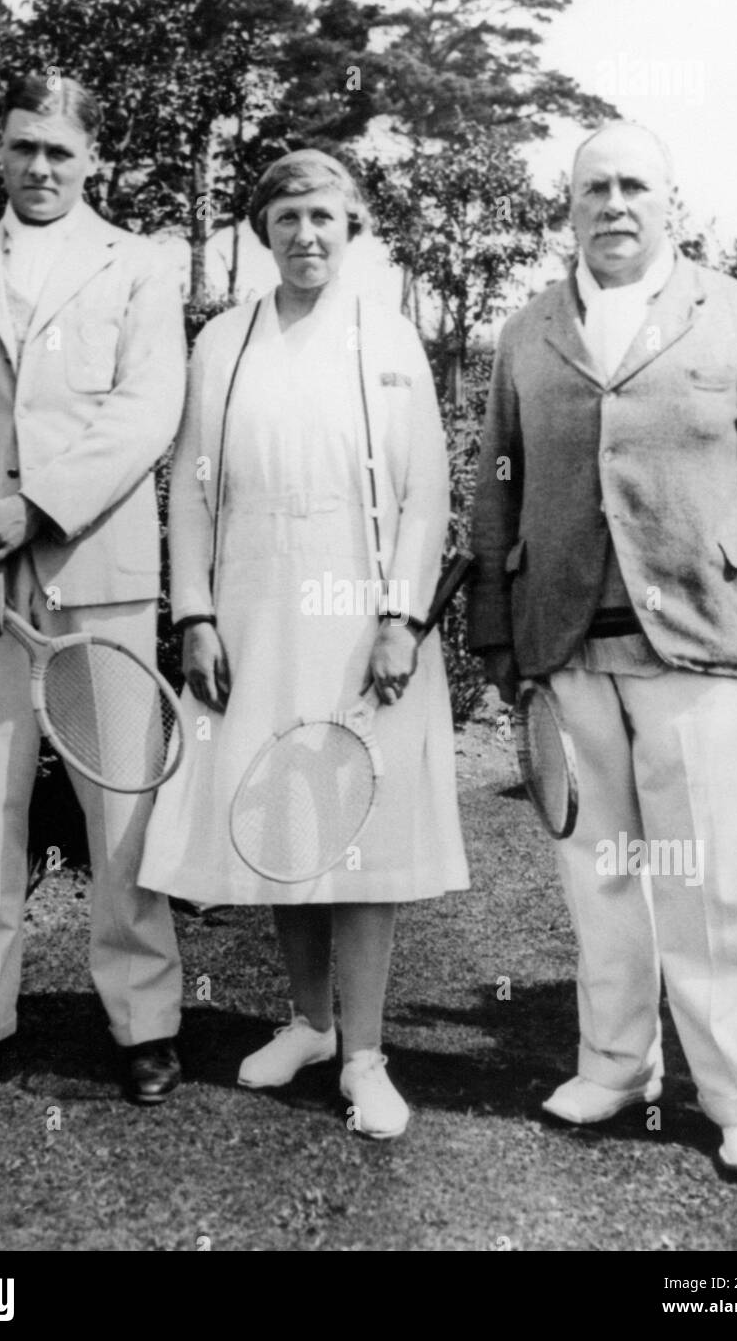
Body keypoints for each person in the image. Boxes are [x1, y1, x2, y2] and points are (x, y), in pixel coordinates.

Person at [469, 122, 737, 1177]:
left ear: (673, 203)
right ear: (569, 207)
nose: (614, 203)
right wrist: (495, 622)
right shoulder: (528, 331)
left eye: (635, 185)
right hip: (567, 642)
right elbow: (497, 480)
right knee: (602, 873)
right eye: (594, 188)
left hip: (703, 636)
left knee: (714, 878)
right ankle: (615, 1064)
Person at [138, 149, 469, 1139]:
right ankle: (308, 1023)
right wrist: (194, 613)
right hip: (255, 612)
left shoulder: (390, 338)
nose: (306, 235)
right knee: (285, 813)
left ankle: (364, 1056)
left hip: (365, 619)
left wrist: (403, 619)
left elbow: (425, 497)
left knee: (358, 825)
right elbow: (191, 490)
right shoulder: (224, 341)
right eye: (285, 218)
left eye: (323, 216)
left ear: (352, 225)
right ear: (262, 230)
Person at [0, 74, 187, 1105]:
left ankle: (143, 1018)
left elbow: (146, 411)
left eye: (61, 151)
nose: (42, 167)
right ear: (1, 152)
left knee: (123, 812)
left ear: (91, 157)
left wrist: (34, 512)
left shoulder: (142, 267)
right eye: (24, 148)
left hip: (99, 583)